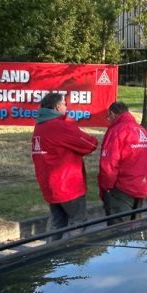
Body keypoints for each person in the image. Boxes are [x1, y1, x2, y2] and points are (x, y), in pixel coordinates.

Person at [30, 92, 99, 240]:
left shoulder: (40, 126)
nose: (67, 107)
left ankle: (53, 257)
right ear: (57, 106)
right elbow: (90, 144)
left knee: (57, 223)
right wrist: (70, 123)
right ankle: (70, 257)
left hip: (50, 184)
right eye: (65, 104)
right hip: (68, 184)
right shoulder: (60, 126)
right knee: (78, 223)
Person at [98, 101, 147, 225]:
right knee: (135, 229)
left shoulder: (117, 131)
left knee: (118, 231)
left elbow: (109, 165)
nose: (108, 120)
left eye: (108, 117)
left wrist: (105, 188)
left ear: (112, 113)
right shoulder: (141, 130)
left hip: (122, 188)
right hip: (141, 186)